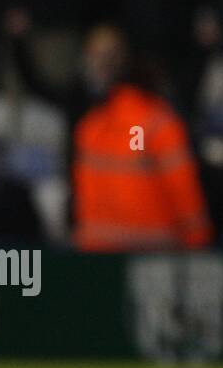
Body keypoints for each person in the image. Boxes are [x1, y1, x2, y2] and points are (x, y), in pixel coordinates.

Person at [72, 26, 212, 252]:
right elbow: (184, 195)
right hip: (155, 254)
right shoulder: (158, 125)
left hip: (97, 257)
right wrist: (199, 243)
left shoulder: (91, 127)